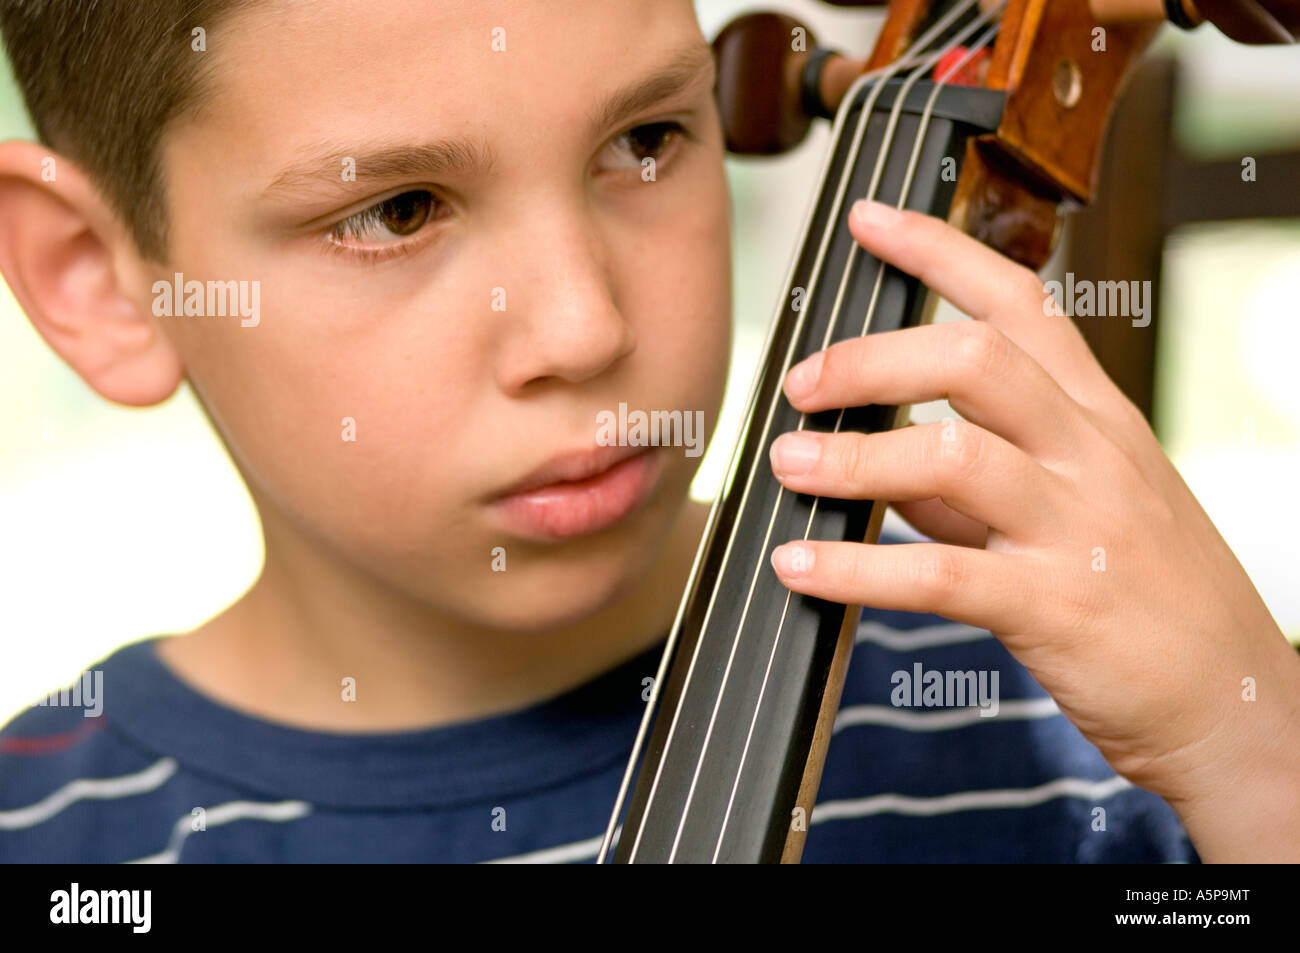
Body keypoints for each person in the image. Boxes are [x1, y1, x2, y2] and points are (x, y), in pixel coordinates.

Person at [0, 0, 1294, 863]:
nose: (582, 326)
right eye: (398, 210)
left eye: (645, 138)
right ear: (97, 281)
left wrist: (1258, 752)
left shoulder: (1098, 749)